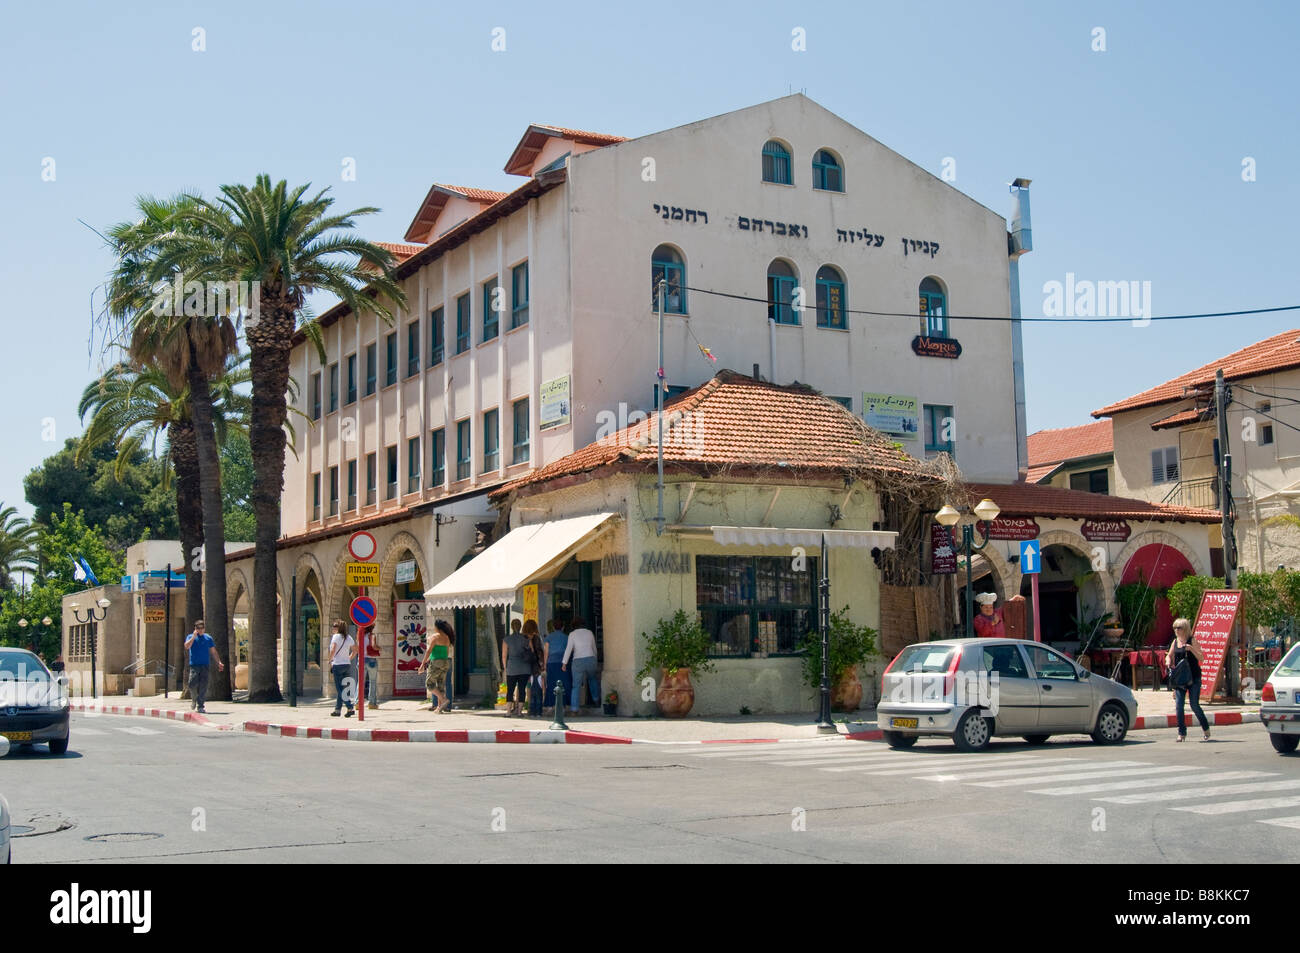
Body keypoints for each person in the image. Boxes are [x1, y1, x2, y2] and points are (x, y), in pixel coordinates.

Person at [1165, 617, 1210, 742]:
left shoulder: (1192, 640)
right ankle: (1181, 733)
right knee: (1179, 706)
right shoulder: (1175, 642)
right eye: (1175, 628)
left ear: (1185, 629)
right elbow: (1169, 655)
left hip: (1194, 677)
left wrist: (1192, 649)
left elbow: (1201, 658)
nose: (1176, 630)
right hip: (1180, 679)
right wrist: (1168, 661)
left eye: (1179, 628)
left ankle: (1206, 728)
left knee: (1194, 705)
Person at [184, 620, 224, 714]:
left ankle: (200, 706)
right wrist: (194, 637)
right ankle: (194, 699)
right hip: (194, 665)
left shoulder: (208, 638)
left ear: (204, 628)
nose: (200, 630)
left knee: (203, 686)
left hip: (205, 665)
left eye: (202, 628)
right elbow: (187, 646)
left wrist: (219, 662)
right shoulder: (190, 637)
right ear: (195, 629)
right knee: (191, 684)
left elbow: (213, 651)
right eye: (198, 628)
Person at [562, 616, 600, 711]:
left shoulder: (572, 634)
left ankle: (574, 709)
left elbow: (568, 649)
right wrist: (595, 658)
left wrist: (564, 663)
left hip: (578, 661)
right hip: (590, 659)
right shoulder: (590, 633)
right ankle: (596, 700)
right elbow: (594, 648)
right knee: (592, 679)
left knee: (576, 686)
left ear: (574, 625)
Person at [418, 619, 455, 713]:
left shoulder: (435, 637)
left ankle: (443, 699)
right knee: (440, 685)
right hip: (445, 662)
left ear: (437, 627)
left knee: (429, 684)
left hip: (436, 662)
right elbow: (446, 652)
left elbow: (429, 651)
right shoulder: (447, 637)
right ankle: (439, 707)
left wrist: (422, 664)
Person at [501, 617, 533, 717]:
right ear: (520, 627)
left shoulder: (507, 639)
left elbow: (504, 655)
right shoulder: (526, 639)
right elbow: (531, 651)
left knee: (510, 690)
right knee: (522, 689)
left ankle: (508, 712)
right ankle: (519, 712)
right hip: (525, 667)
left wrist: (505, 667)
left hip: (512, 667)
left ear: (511, 627)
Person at [327, 620, 357, 718]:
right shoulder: (349, 637)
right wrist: (349, 658)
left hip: (337, 665)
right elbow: (355, 650)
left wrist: (330, 660)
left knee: (339, 688)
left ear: (339, 628)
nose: (333, 628)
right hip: (346, 665)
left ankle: (350, 706)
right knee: (343, 688)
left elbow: (333, 649)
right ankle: (337, 710)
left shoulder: (336, 637)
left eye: (335, 626)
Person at [543, 618, 571, 713]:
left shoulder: (549, 637)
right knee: (563, 684)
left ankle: (550, 705)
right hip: (563, 663)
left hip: (551, 662)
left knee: (551, 684)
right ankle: (563, 706)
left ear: (553, 627)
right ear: (563, 627)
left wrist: (545, 664)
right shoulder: (566, 637)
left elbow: (546, 652)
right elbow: (569, 651)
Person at [522, 620, 546, 716]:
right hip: (535, 667)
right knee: (538, 688)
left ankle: (529, 709)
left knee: (528, 687)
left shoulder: (522, 638)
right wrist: (542, 665)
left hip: (524, 666)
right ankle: (538, 710)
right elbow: (540, 652)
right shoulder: (536, 638)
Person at [361, 623, 381, 710]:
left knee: (360, 682)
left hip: (362, 659)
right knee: (372, 681)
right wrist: (379, 648)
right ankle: (372, 703)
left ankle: (358, 702)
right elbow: (374, 646)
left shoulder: (360, 635)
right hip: (371, 660)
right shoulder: (372, 635)